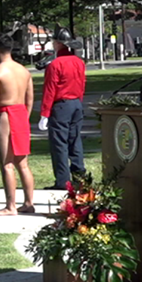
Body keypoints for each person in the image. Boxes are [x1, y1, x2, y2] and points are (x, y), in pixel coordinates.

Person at [0, 33, 37, 216]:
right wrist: (24, 118)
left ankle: (10, 206)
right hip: (21, 113)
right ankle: (29, 202)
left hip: (5, 113)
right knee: (23, 163)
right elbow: (30, 100)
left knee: (6, 163)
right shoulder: (24, 71)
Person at [39, 29, 88, 190]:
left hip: (61, 105)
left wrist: (44, 114)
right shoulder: (79, 62)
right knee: (75, 141)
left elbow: (50, 90)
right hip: (76, 103)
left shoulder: (55, 64)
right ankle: (79, 177)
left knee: (59, 144)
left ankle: (63, 180)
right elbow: (81, 84)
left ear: (58, 43)